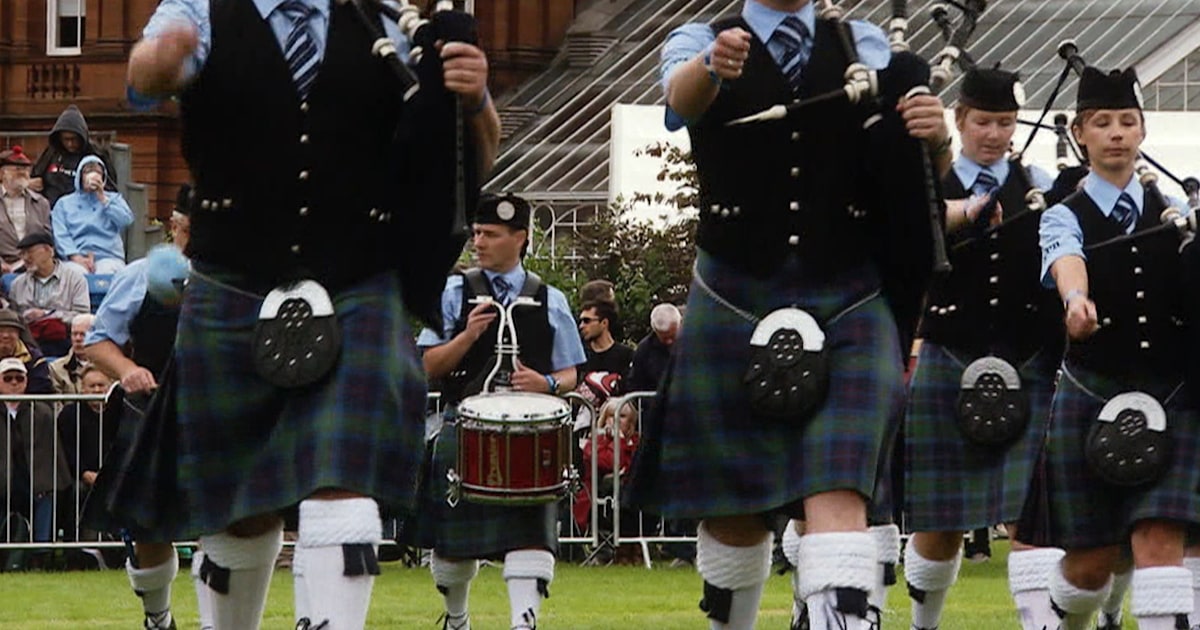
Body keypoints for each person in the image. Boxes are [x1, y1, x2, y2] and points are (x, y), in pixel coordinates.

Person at [126, 0, 500, 626]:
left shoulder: (384, 21)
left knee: (342, 480)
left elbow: (472, 160)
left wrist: (478, 100)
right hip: (233, 280)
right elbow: (144, 75)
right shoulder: (200, 9)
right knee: (237, 503)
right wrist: (157, 62)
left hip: (358, 281)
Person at [624, 1, 955, 628]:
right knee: (732, 512)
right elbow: (680, 101)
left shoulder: (867, 47)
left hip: (851, 299)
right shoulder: (701, 38)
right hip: (733, 295)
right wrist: (712, 66)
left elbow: (918, 171)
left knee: (840, 489)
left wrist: (937, 137)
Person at [1033, 65, 1200, 629]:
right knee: (1093, 563)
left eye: (1128, 121)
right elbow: (1065, 256)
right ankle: (1065, 616)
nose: (1116, 133)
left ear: (1143, 132)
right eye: (1102, 123)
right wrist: (1075, 300)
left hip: (1172, 391)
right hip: (1095, 392)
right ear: (1081, 133)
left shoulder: (1179, 209)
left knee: (1159, 539)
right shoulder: (1063, 213)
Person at [902, 66, 1066, 630]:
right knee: (939, 523)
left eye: (1005, 123)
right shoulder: (926, 184)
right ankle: (924, 624)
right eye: (983, 122)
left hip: (1029, 361)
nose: (994, 134)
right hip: (948, 354)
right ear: (959, 120)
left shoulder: (1040, 183)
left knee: (1035, 516)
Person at [414, 192, 587, 630]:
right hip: (463, 422)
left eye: (490, 235)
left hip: (532, 435)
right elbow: (426, 365)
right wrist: (467, 337)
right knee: (452, 543)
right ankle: (456, 619)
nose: (479, 242)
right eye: (476, 233)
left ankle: (523, 622)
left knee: (531, 533)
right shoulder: (453, 292)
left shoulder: (552, 299)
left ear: (520, 239)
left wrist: (546, 384)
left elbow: (571, 373)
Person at [85, 185, 200, 630]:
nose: (194, 240)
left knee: (235, 521)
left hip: (219, 410)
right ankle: (158, 618)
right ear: (173, 225)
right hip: (154, 410)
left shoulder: (236, 279)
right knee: (151, 525)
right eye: (187, 229)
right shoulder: (140, 274)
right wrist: (128, 369)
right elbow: (98, 342)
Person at [0, 357, 71, 549]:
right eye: (8, 378)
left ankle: (41, 552)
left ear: (26, 381)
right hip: (3, 480)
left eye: (19, 378)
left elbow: (51, 455)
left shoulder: (42, 411)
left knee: (47, 495)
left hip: (33, 480)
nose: (14, 383)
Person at [9, 231, 91, 356]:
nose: (25, 258)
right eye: (23, 254)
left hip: (63, 339)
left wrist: (47, 315)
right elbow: (13, 318)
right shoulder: (18, 284)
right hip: (29, 341)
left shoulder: (75, 279)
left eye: (30, 252)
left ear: (49, 251)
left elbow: (82, 315)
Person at [51, 156, 133, 275]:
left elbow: (126, 221)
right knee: (74, 274)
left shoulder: (114, 199)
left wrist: (103, 199)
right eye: (88, 171)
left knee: (107, 272)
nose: (93, 175)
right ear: (80, 176)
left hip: (109, 256)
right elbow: (60, 234)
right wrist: (74, 256)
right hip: (75, 257)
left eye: (98, 172)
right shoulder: (64, 203)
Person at [29, 105, 118, 209]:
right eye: (66, 139)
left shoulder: (96, 154)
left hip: (84, 212)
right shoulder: (52, 152)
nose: (70, 144)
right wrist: (31, 183)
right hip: (52, 209)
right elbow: (35, 176)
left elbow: (111, 190)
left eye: (74, 139)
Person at [0, 146, 52, 273]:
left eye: (26, 169)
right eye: (17, 169)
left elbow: (47, 237)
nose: (23, 173)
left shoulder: (41, 203)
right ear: (2, 174)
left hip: (36, 264)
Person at [624, 302, 680, 393]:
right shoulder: (644, 350)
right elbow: (635, 385)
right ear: (655, 331)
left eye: (673, 336)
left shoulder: (694, 343)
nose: (669, 341)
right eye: (664, 338)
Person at [0, 308, 53, 394]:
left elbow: (41, 389)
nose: (5, 335)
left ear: (18, 334)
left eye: (11, 331)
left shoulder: (34, 359)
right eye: (1, 331)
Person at [578, 299, 634, 377]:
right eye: (581, 321)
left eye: (587, 321)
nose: (581, 326)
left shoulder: (626, 356)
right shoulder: (580, 356)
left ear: (604, 323)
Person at [49, 313, 95, 395]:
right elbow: (56, 405)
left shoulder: (110, 367)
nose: (78, 339)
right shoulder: (56, 369)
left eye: (83, 334)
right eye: (74, 334)